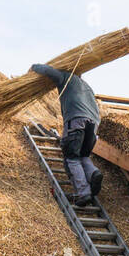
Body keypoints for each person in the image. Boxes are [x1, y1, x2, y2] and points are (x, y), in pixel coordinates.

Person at [31, 62, 103, 206]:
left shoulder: (66, 77)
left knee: (71, 157)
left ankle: (84, 193)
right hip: (93, 126)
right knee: (83, 155)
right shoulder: (87, 87)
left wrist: (34, 67)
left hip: (77, 121)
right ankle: (93, 173)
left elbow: (48, 71)